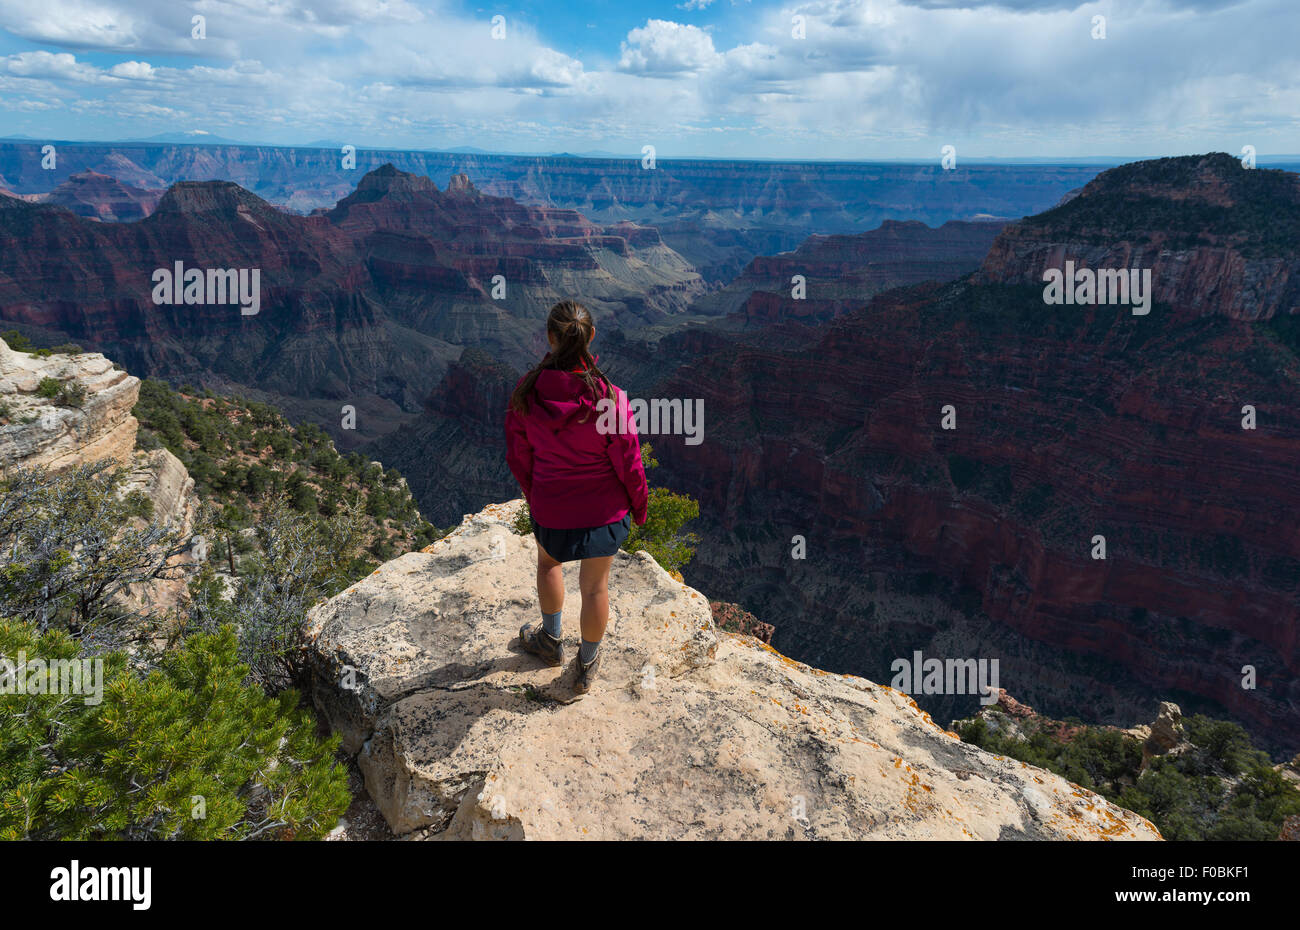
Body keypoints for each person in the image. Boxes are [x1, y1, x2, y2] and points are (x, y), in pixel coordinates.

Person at [505, 300, 649, 694]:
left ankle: (550, 641)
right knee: (595, 588)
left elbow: (519, 454)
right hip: (604, 512)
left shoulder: (528, 391)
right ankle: (586, 665)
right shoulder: (611, 398)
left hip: (552, 508)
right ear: (591, 337)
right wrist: (638, 507)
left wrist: (537, 495)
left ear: (549, 337)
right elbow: (630, 461)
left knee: (548, 565)